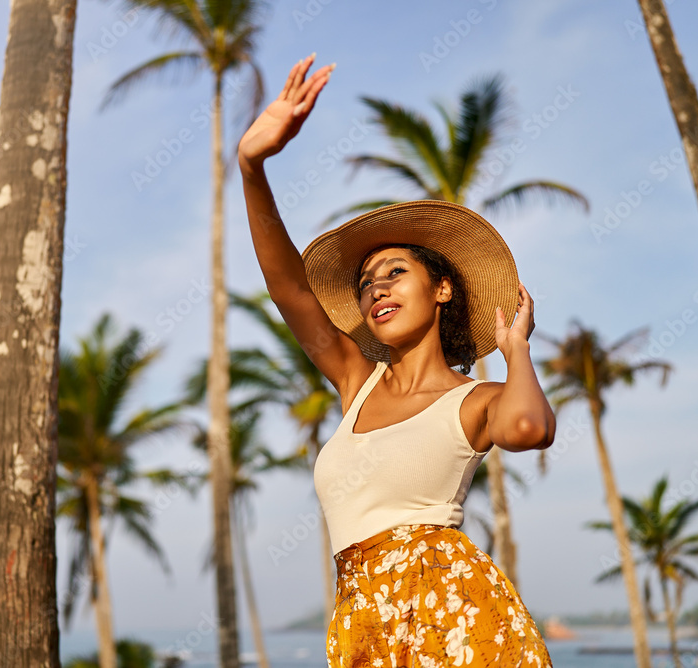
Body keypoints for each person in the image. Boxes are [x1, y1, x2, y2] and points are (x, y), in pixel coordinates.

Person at [237, 54, 556, 667]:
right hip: (362, 620)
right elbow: (290, 290)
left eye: (395, 272)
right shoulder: (356, 380)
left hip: (451, 613)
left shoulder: (473, 402)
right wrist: (252, 167)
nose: (376, 287)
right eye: (365, 281)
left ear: (442, 289)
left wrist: (516, 350)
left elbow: (529, 429)